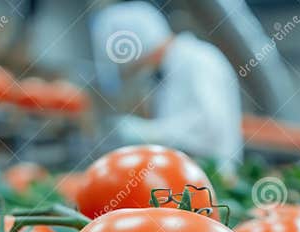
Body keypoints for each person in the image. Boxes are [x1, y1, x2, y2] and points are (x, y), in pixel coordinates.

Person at [91, 1, 242, 178]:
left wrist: (149, 132)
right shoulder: (165, 70)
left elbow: (210, 126)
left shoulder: (199, 60)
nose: (133, 71)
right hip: (185, 176)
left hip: (214, 178)